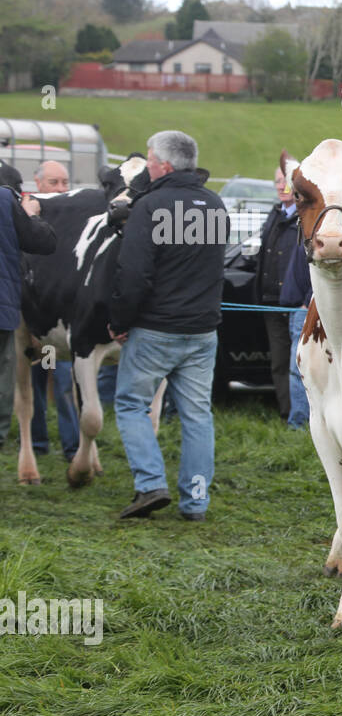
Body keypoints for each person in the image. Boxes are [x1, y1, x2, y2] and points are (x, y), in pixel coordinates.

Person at [108, 130, 226, 521]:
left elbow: (133, 274)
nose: (147, 165)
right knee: (197, 415)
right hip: (202, 331)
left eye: (149, 158)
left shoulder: (150, 205)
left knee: (130, 404)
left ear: (163, 164)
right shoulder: (215, 205)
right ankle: (195, 501)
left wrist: (120, 321)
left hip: (155, 329)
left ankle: (150, 484)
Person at [24, 160, 79, 460]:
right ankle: (37, 443)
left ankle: (72, 447)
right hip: (35, 323)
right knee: (33, 383)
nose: (60, 189)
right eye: (54, 182)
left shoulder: (75, 221)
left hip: (63, 325)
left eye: (64, 182)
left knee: (66, 383)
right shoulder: (26, 218)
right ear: (38, 184)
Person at [0, 163, 57, 450]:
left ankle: (39, 442)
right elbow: (44, 242)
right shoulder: (6, 201)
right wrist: (31, 215)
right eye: (53, 181)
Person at [255, 161, 301, 421]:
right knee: (280, 361)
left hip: (297, 302)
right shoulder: (274, 214)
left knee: (300, 363)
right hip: (271, 301)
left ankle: (303, 417)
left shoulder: (306, 215)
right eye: (278, 181)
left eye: (287, 181)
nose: (282, 186)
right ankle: (287, 413)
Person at [279, 163, 312, 431]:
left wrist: (306, 300)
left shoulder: (316, 220)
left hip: (306, 308)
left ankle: (300, 423)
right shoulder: (303, 218)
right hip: (299, 305)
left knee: (298, 369)